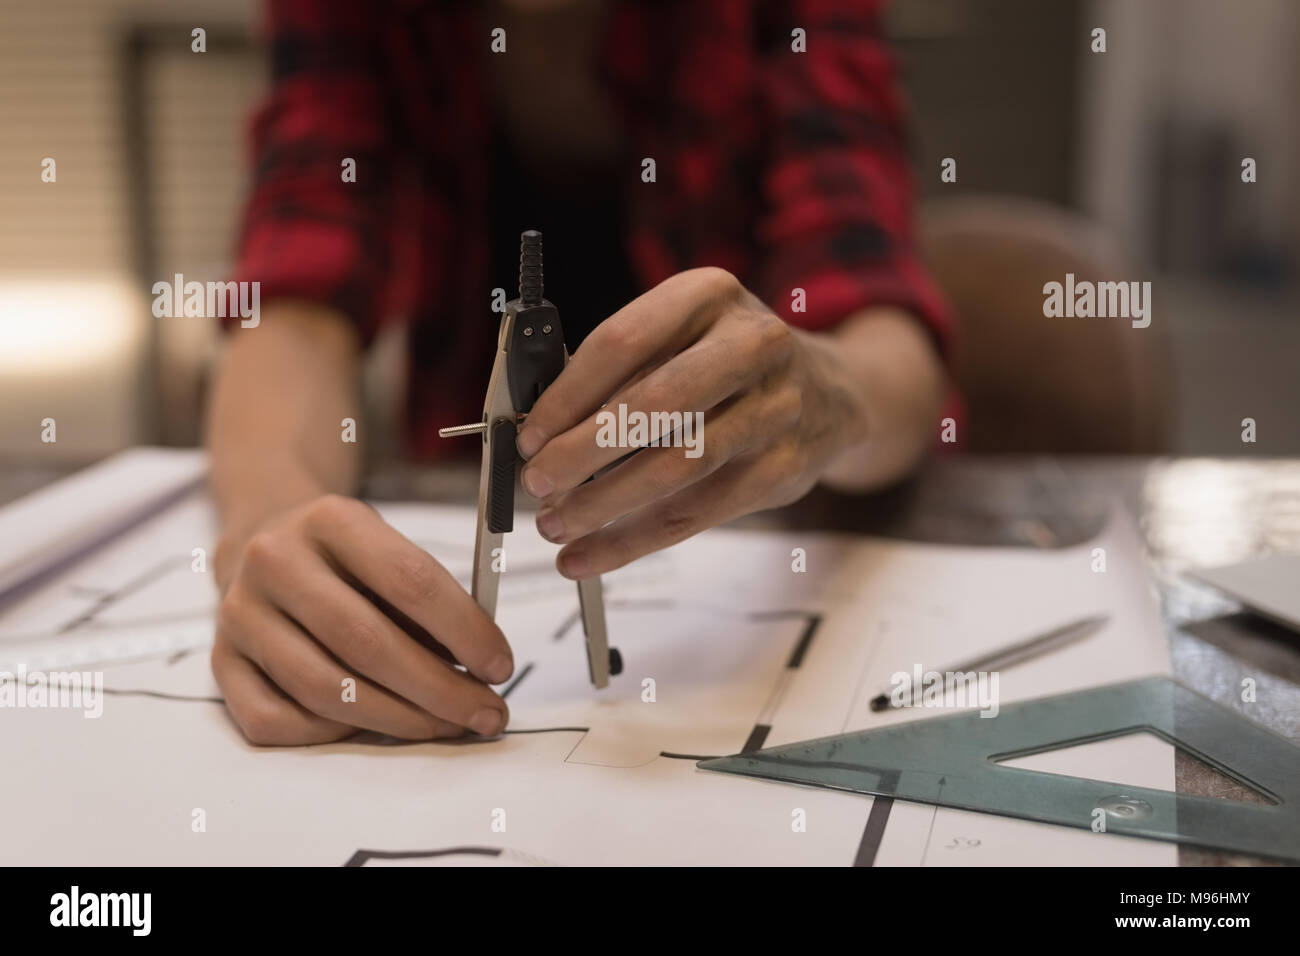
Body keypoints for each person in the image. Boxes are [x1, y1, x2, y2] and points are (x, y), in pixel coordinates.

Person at [207, 0, 952, 745]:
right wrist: (269, 524)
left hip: (785, 519)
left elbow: (882, 327)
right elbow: (298, 292)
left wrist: (824, 396)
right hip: (491, 469)